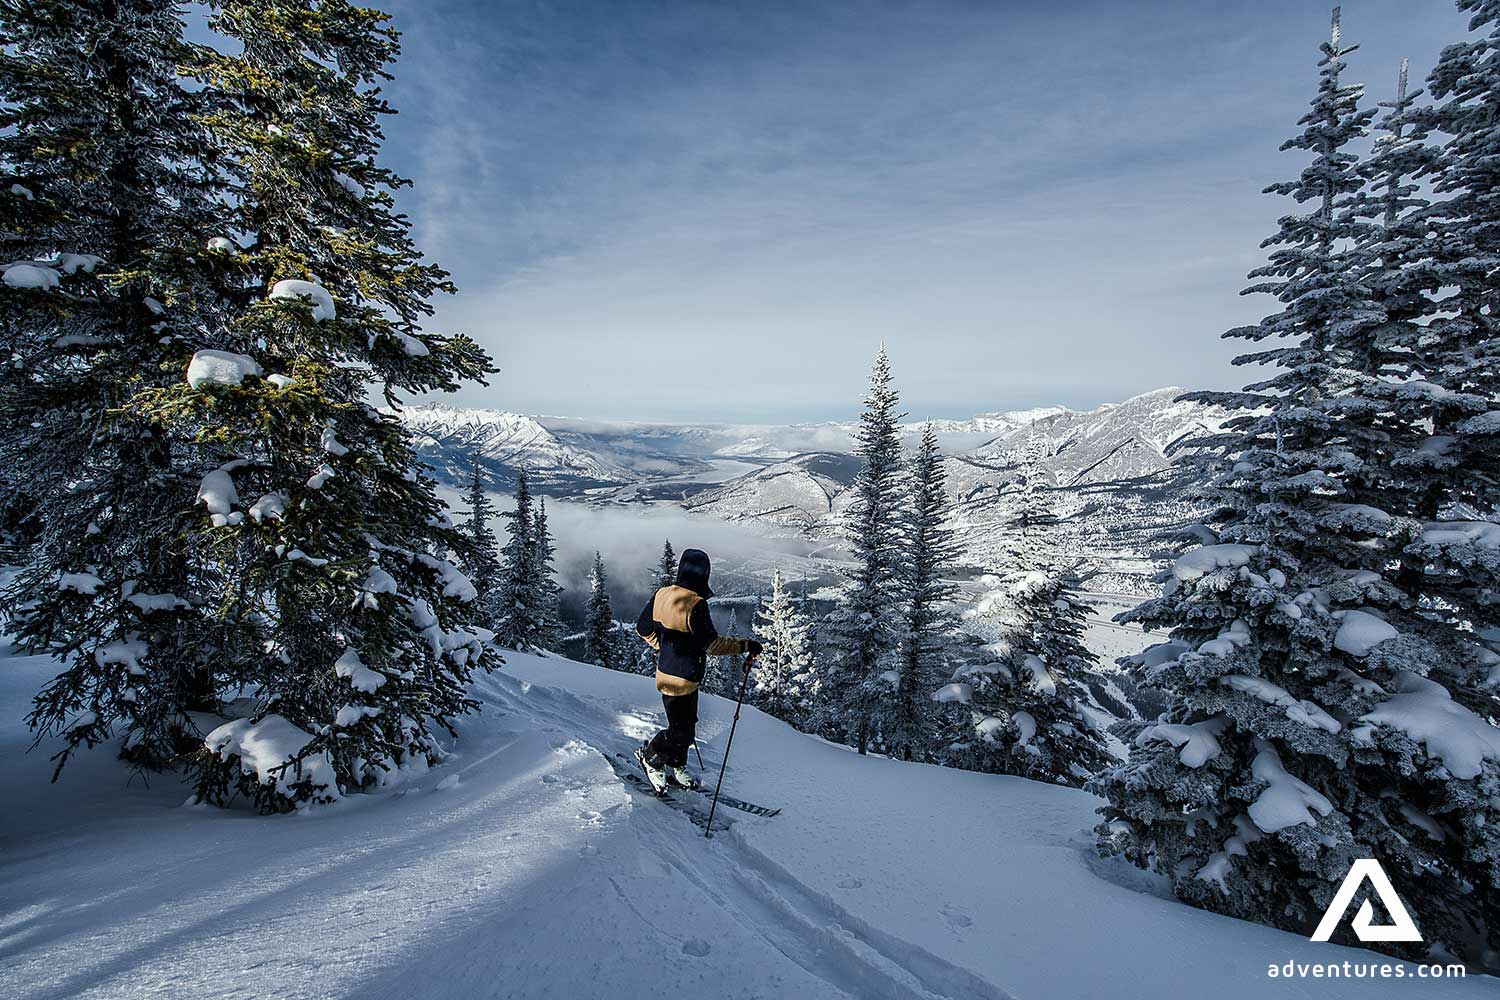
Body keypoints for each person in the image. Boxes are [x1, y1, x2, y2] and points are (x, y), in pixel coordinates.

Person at [634, 548, 761, 792]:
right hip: (681, 677)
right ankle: (651, 757)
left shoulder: (662, 594)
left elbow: (643, 628)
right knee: (680, 731)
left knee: (687, 726)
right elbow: (713, 645)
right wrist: (746, 645)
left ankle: (676, 763)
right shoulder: (695, 603)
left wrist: (662, 646)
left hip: (673, 675)